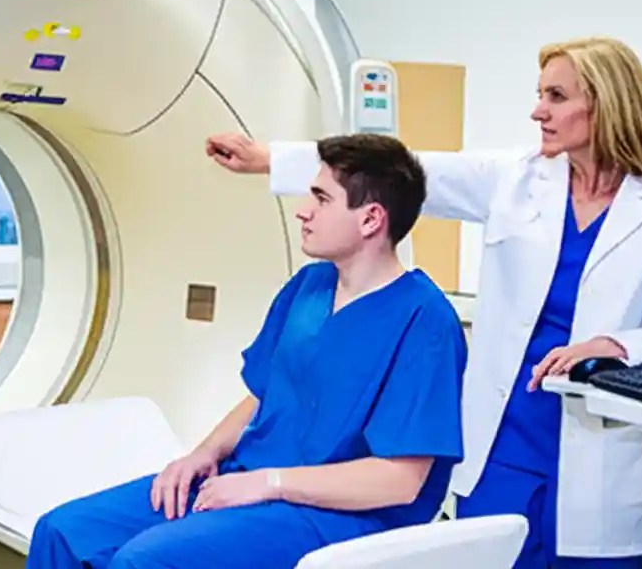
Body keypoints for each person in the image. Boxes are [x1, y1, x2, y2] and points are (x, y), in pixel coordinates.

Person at [205, 36, 642, 568]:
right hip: (503, 440)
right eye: (540, 93)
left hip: (598, 448)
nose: (537, 110)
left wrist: (619, 345)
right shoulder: (516, 180)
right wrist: (268, 158)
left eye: (556, 96)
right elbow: (403, 170)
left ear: (605, 103)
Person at [26, 134, 468, 569]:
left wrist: (270, 484)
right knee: (62, 531)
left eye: (320, 198)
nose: (302, 210)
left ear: (371, 219)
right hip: (250, 478)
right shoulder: (308, 287)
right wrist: (203, 454)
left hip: (339, 516)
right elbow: (264, 394)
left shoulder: (425, 322)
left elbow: (400, 481)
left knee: (145, 560)